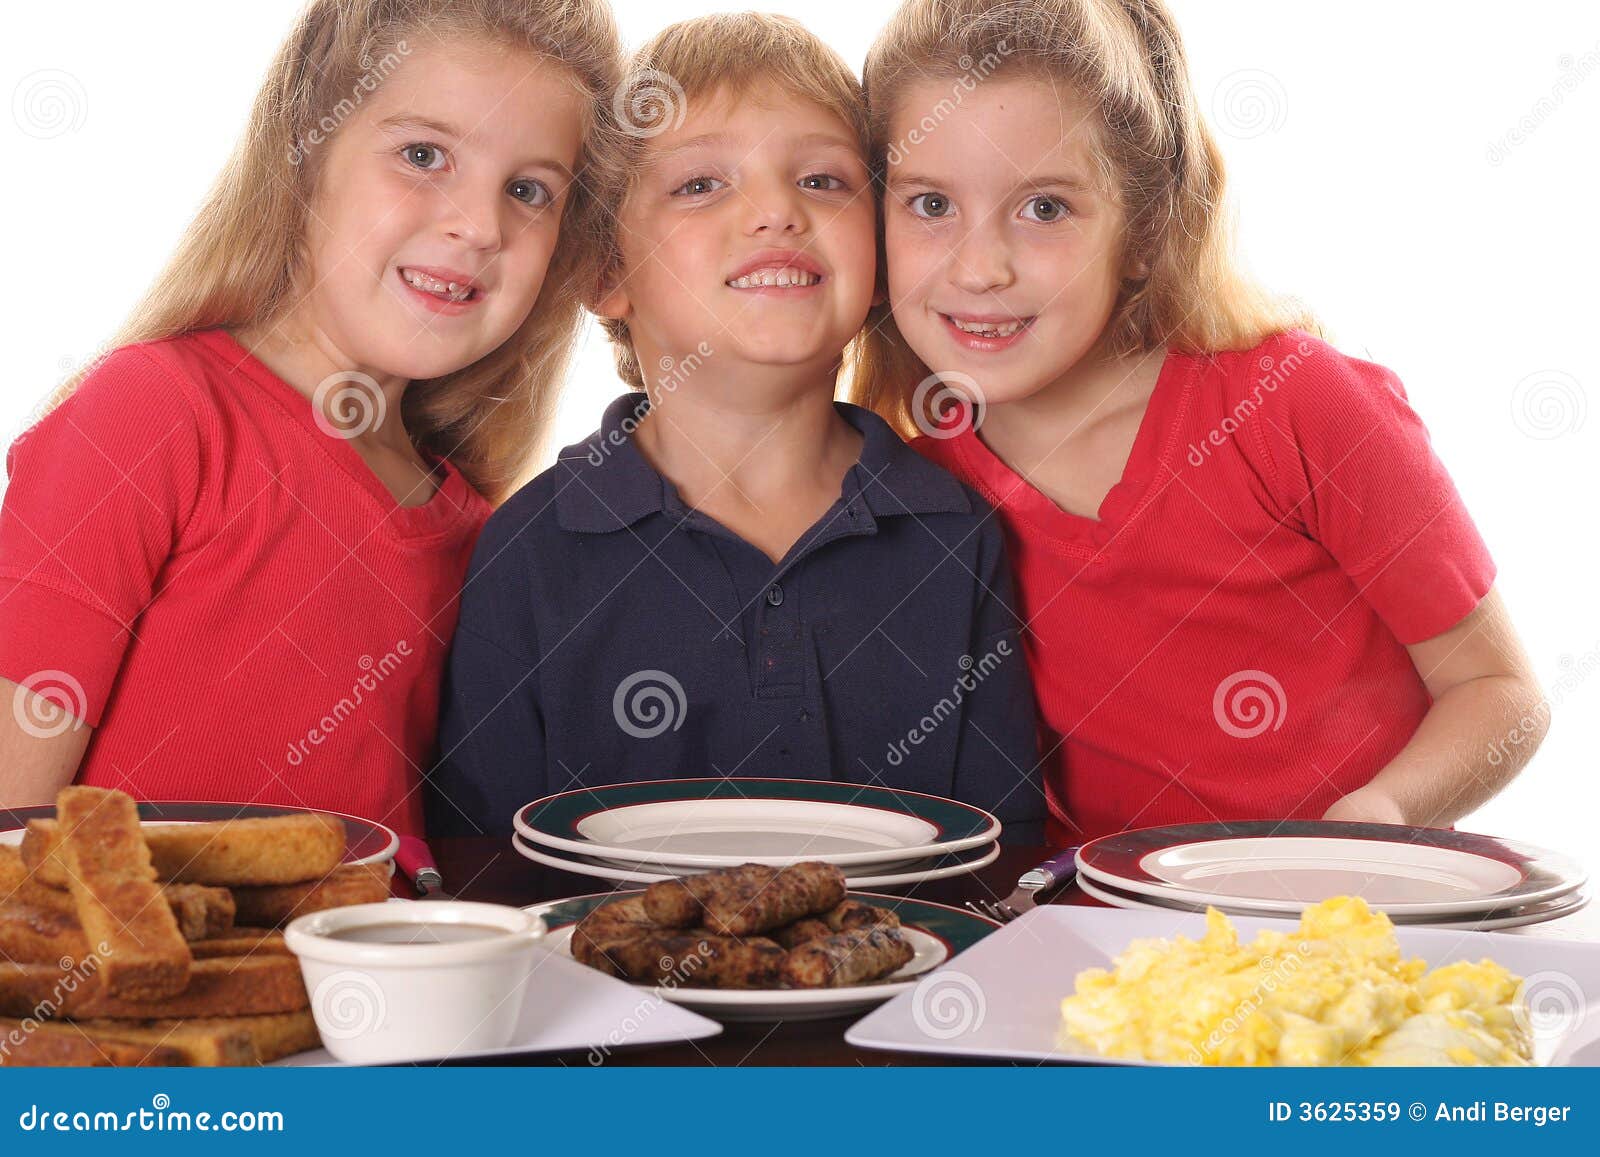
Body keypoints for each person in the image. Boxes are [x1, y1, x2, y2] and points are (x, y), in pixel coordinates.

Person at [852, 0, 1546, 845]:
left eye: (1045, 209)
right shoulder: (916, 486)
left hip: (1346, 921)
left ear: (1144, 231)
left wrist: (1377, 818)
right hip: (1107, 956)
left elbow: (1500, 692)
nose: (981, 266)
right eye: (931, 206)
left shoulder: (1299, 403)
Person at [0, 0, 622, 836]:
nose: (478, 225)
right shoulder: (154, 414)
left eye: (528, 190)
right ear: (305, 154)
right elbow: (11, 830)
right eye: (423, 154)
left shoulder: (481, 530)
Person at [428, 13, 1045, 843]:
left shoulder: (955, 533)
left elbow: (1003, 860)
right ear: (608, 272)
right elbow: (483, 873)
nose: (776, 212)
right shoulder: (530, 550)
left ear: (880, 259)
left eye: (823, 181)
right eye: (700, 184)